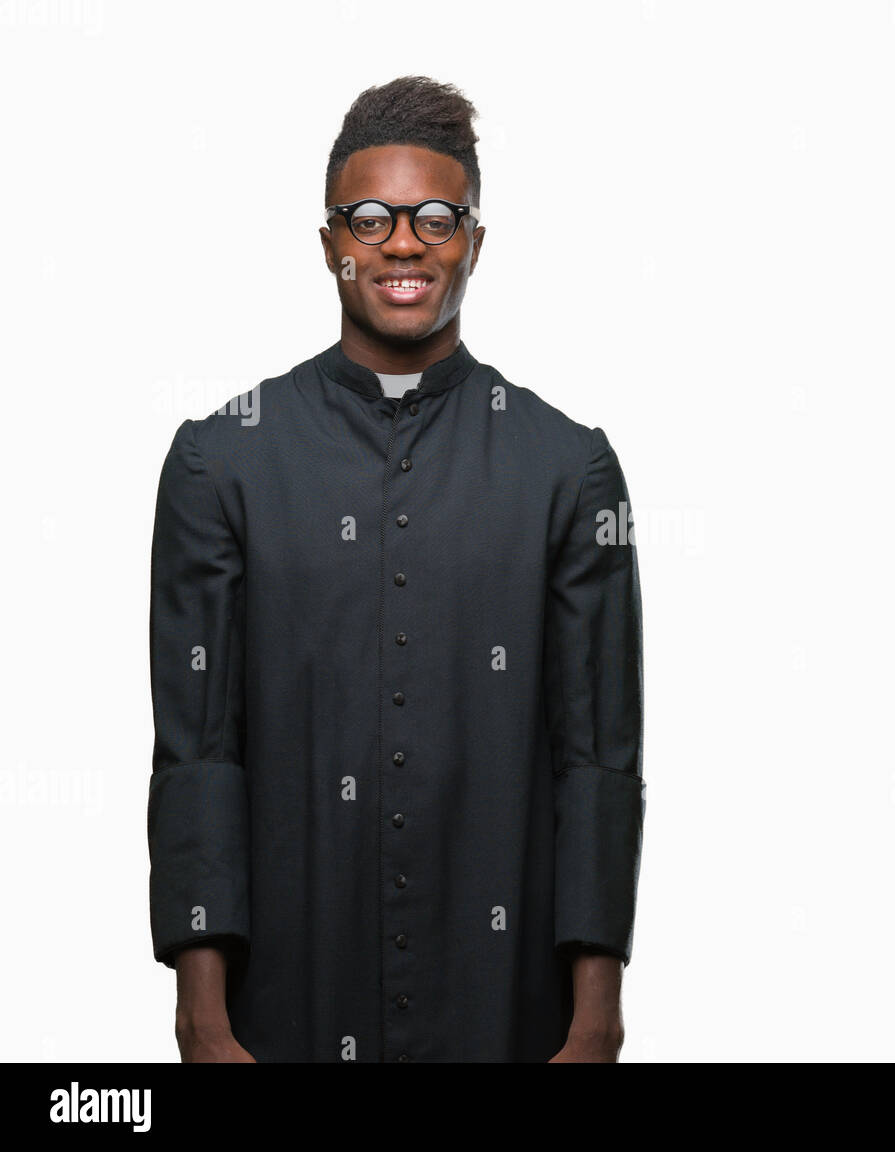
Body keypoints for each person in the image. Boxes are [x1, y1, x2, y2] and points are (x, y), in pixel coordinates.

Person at [147, 76, 645, 1063]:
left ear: (474, 242)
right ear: (330, 241)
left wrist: (594, 1020)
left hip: (503, 1009)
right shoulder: (220, 462)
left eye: (434, 218)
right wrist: (202, 1017)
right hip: (284, 1003)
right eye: (370, 219)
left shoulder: (567, 466)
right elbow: (197, 752)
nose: (403, 243)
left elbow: (597, 756)